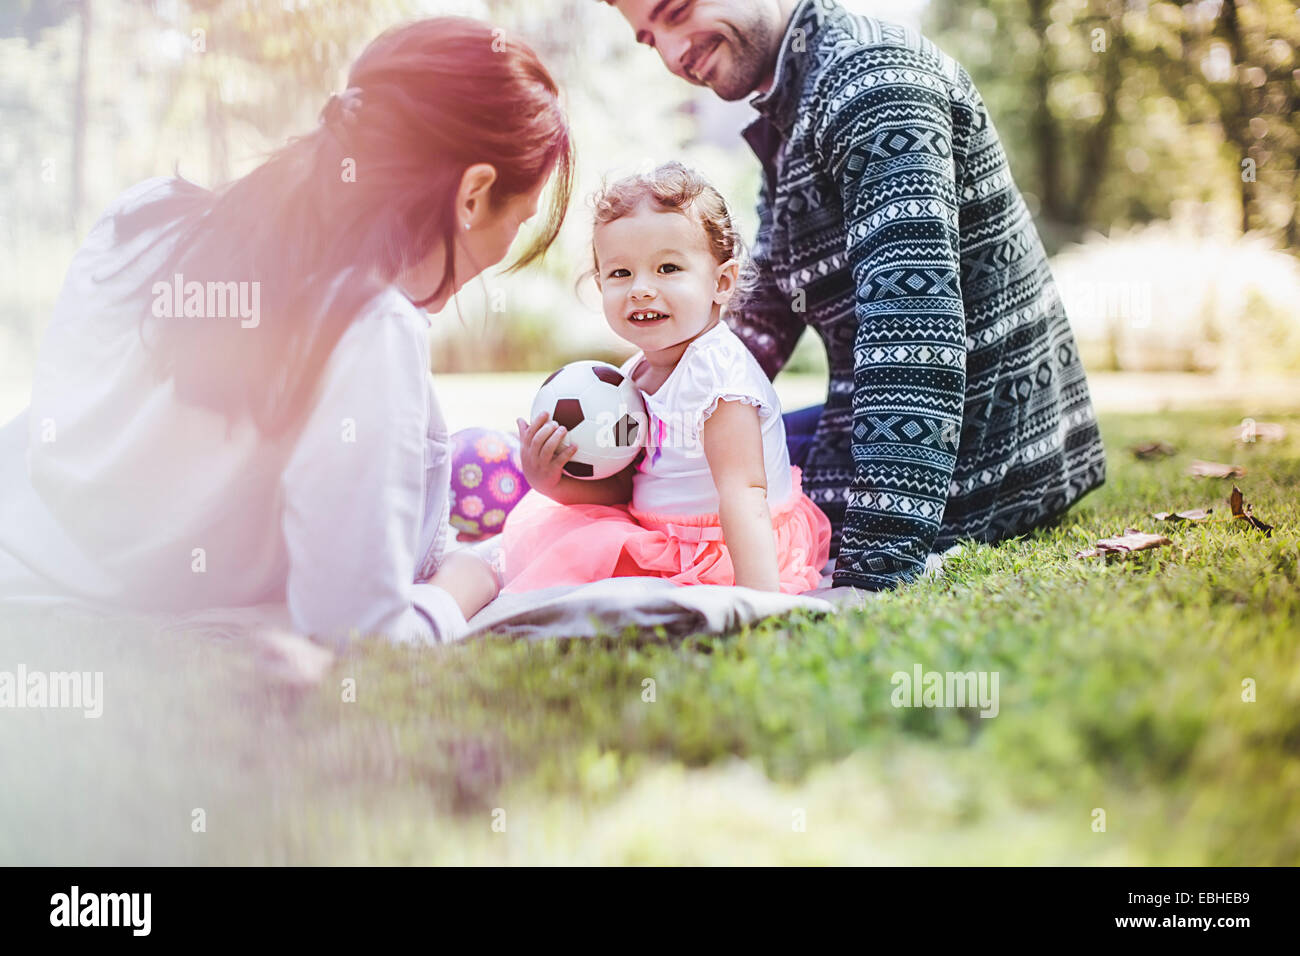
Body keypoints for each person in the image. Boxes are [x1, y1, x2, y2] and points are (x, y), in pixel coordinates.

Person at [0, 18, 575, 644]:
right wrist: (473, 574)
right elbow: (360, 637)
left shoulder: (140, 218)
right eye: (519, 219)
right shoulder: (369, 327)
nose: (508, 248)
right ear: (474, 194)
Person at [599, 0, 1108, 591]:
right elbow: (759, 319)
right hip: (866, 424)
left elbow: (914, 334)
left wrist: (870, 570)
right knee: (677, 463)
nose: (670, 51)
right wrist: (614, 414)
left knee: (711, 492)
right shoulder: (798, 102)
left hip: (974, 460)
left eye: (677, 11)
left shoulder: (874, 83)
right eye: (647, 38)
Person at [501, 162, 831, 594]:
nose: (640, 288)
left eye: (668, 268)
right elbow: (627, 486)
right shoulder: (627, 377)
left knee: (596, 579)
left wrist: (757, 602)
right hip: (661, 534)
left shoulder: (718, 379)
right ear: (600, 285)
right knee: (566, 546)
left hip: (729, 549)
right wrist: (555, 483)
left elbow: (744, 494)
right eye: (621, 273)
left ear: (722, 282)